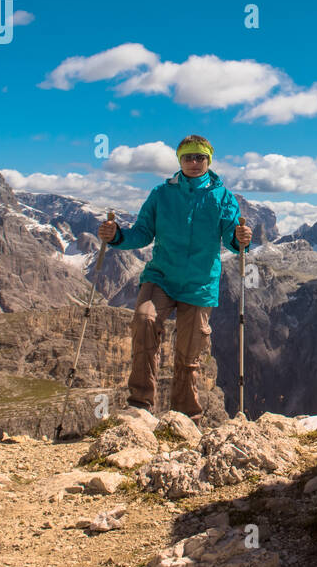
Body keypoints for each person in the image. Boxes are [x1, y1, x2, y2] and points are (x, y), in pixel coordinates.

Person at [98, 135, 251, 421]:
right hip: (161, 277)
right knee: (144, 319)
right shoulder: (161, 194)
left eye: (200, 158)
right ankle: (140, 404)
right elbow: (142, 232)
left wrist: (240, 238)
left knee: (189, 353)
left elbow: (232, 239)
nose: (194, 163)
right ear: (179, 160)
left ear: (209, 161)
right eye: (188, 157)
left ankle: (185, 416)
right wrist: (117, 235)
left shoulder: (223, 197)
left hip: (200, 283)